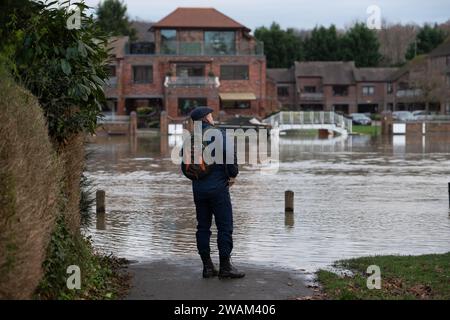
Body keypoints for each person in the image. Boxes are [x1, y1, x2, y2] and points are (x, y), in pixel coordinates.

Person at [187, 107, 245, 279]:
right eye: (211, 115)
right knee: (224, 227)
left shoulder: (191, 138)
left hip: (198, 190)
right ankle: (226, 267)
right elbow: (230, 156)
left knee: (203, 227)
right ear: (206, 118)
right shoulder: (218, 134)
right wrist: (232, 175)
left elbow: (185, 166)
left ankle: (207, 267)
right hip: (219, 189)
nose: (213, 117)